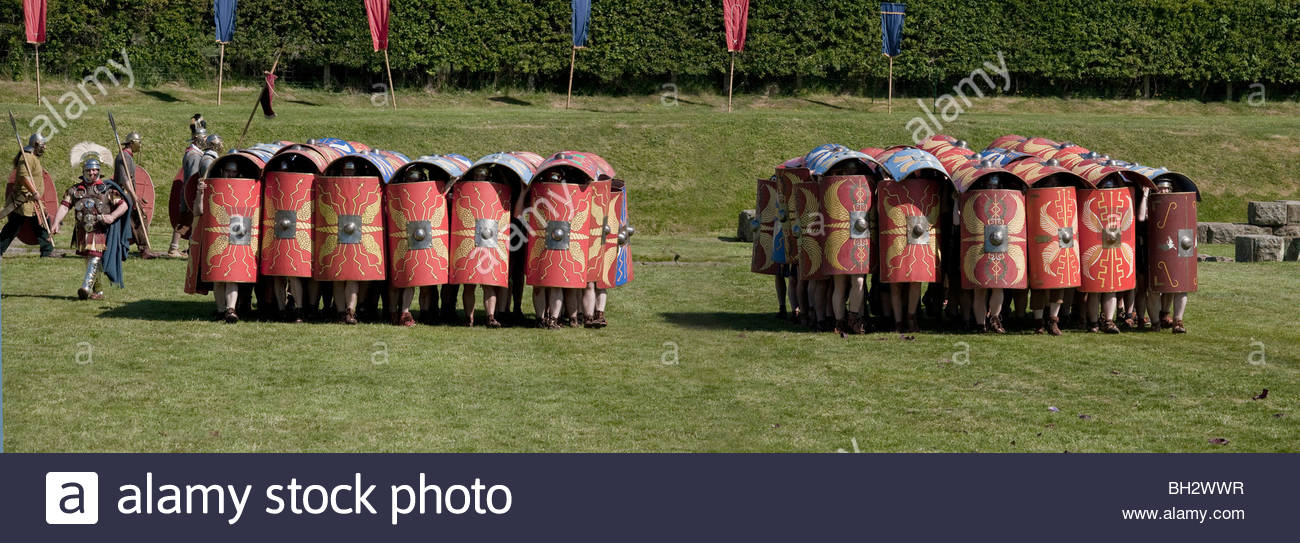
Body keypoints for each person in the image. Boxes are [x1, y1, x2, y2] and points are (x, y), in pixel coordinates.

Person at [50, 156, 132, 299]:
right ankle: (98, 291)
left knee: (95, 257)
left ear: (99, 171)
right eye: (89, 170)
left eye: (95, 170)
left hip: (99, 230)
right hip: (82, 230)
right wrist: (56, 222)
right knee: (89, 259)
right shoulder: (75, 190)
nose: (92, 172)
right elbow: (64, 206)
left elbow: (124, 205)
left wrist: (112, 216)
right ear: (84, 171)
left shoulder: (107, 190)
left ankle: (86, 287)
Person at [1, 134, 55, 257]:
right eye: (43, 145)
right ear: (36, 144)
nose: (45, 147)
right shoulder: (26, 157)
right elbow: (23, 177)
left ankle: (47, 252)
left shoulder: (31, 157)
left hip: (32, 202)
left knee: (41, 225)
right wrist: (34, 192)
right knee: (12, 229)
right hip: (25, 201)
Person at [166, 120, 207, 257]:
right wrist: (194, 196)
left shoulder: (193, 153)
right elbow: (192, 178)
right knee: (185, 221)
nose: (205, 140)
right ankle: (173, 248)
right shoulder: (194, 156)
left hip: (189, 193)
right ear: (198, 139)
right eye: (204, 138)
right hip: (191, 194)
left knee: (190, 222)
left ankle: (189, 247)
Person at [113, 131, 151, 257]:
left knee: (138, 219)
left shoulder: (128, 157)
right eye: (139, 142)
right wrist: (134, 197)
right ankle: (143, 249)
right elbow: (125, 180)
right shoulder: (123, 157)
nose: (140, 145)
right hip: (123, 195)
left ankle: (143, 249)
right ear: (132, 143)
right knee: (139, 218)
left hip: (128, 194)